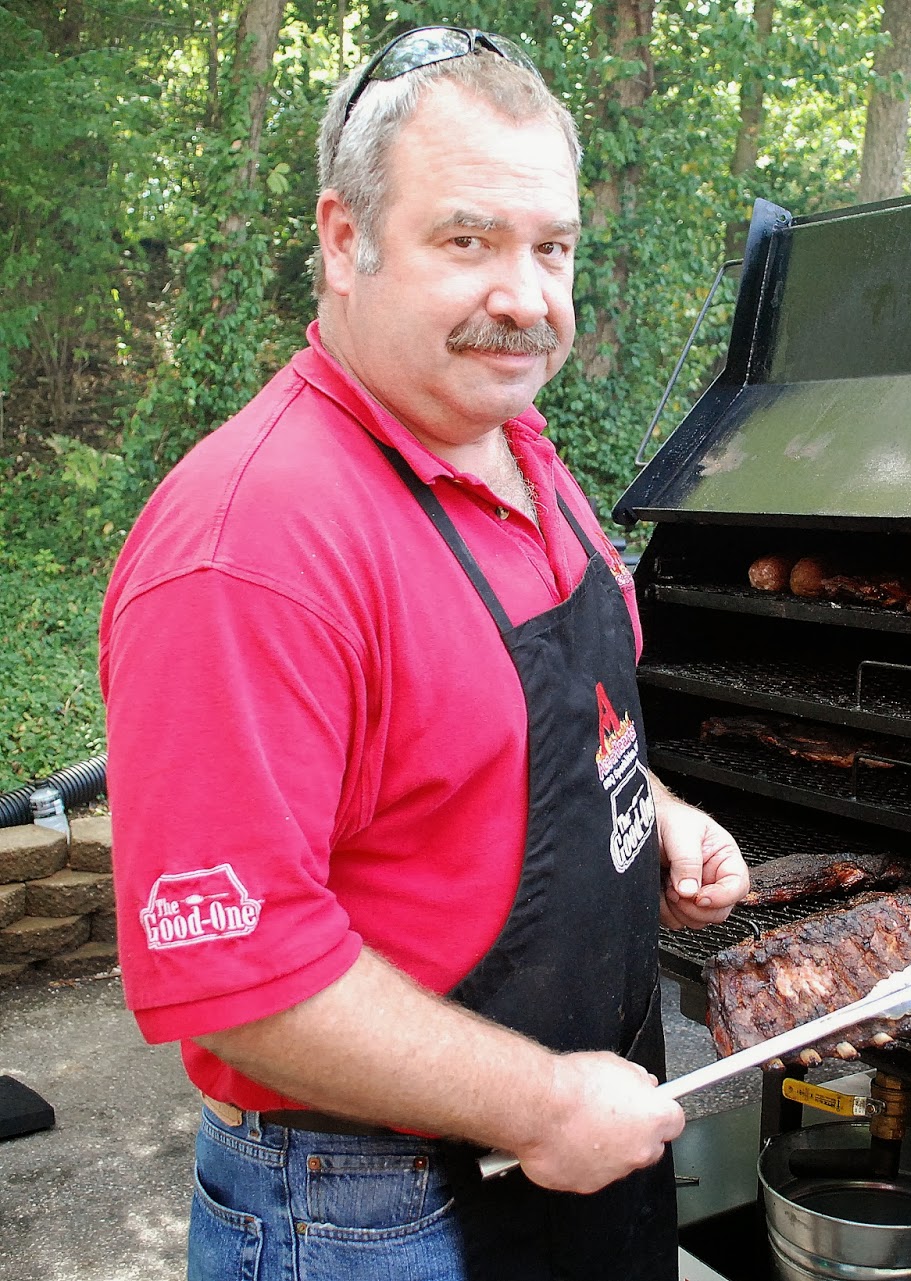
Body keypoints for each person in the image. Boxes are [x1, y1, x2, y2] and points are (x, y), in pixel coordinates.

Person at [99, 26, 749, 1281]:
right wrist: (548, 1105)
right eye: (469, 240)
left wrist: (650, 808)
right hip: (373, 1208)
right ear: (346, 242)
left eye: (551, 247)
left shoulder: (520, 456)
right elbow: (242, 976)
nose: (527, 294)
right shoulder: (254, 546)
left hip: (575, 1138)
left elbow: (530, 725)